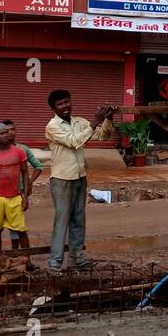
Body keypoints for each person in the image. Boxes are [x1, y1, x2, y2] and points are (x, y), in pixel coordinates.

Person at [44, 89, 115, 273]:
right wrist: (95, 121)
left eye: (67, 102)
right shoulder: (52, 126)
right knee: (62, 220)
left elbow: (102, 136)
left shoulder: (80, 122)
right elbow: (75, 141)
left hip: (80, 177)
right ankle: (55, 262)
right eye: (60, 104)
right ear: (53, 108)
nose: (65, 106)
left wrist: (108, 118)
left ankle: (77, 259)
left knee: (78, 220)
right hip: (61, 179)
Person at [0, 119, 43, 248]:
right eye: (2, 133)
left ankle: (25, 259)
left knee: (21, 230)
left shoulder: (19, 151)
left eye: (7, 132)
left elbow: (25, 173)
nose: (7, 135)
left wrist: (25, 197)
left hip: (15, 197)